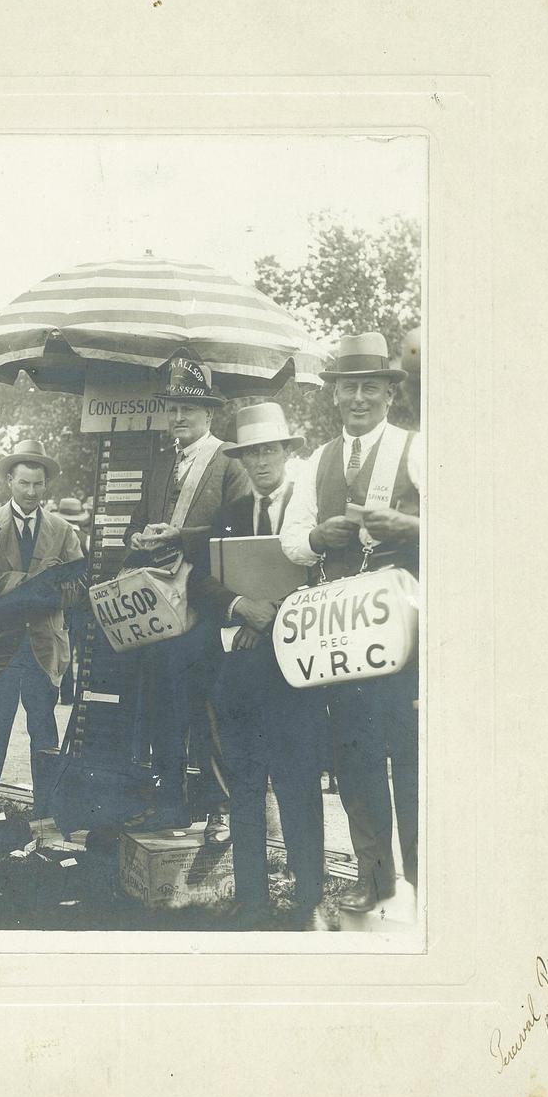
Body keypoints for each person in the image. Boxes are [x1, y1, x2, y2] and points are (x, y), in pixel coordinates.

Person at [281, 333, 421, 912]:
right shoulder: (316, 461)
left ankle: (426, 877)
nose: (358, 398)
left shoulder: (418, 449)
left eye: (371, 387)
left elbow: (469, 522)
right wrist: (318, 538)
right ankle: (375, 875)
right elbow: (291, 541)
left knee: (411, 753)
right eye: (348, 388)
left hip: (406, 626)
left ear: (390, 394)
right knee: (355, 752)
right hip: (343, 630)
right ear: (334, 396)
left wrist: (406, 526)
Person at [191, 402, 328, 929]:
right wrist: (237, 607)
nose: (262, 462)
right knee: (245, 785)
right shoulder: (231, 513)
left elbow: (323, 584)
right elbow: (202, 580)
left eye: (270, 450)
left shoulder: (306, 511)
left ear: (286, 453)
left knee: (297, 785)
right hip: (244, 674)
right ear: (242, 460)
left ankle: (309, 895)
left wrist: (268, 618)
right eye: (252, 454)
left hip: (294, 674)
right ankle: (252, 898)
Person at [123, 352, 251, 838]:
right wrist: (137, 540)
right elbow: (138, 520)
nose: (178, 417)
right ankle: (170, 804)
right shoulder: (162, 464)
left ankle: (220, 809)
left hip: (205, 602)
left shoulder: (228, 461)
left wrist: (182, 537)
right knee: (163, 707)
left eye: (189, 410)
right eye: (173, 408)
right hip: (159, 604)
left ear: (209, 414)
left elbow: (237, 530)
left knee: (210, 710)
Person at [0, 440, 84, 825]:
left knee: (44, 731)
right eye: (23, 484)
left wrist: (55, 592)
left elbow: (78, 585)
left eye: (38, 485)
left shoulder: (63, 530)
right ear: (8, 482)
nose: (31, 492)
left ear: (45, 485)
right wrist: (33, 585)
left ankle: (45, 818)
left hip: (42, 646)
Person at [56, 497, 91, 706]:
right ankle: (82, 694)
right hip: (83, 598)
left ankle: (66, 694)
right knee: (84, 645)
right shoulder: (86, 538)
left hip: (62, 597)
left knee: (64, 645)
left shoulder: (55, 536)